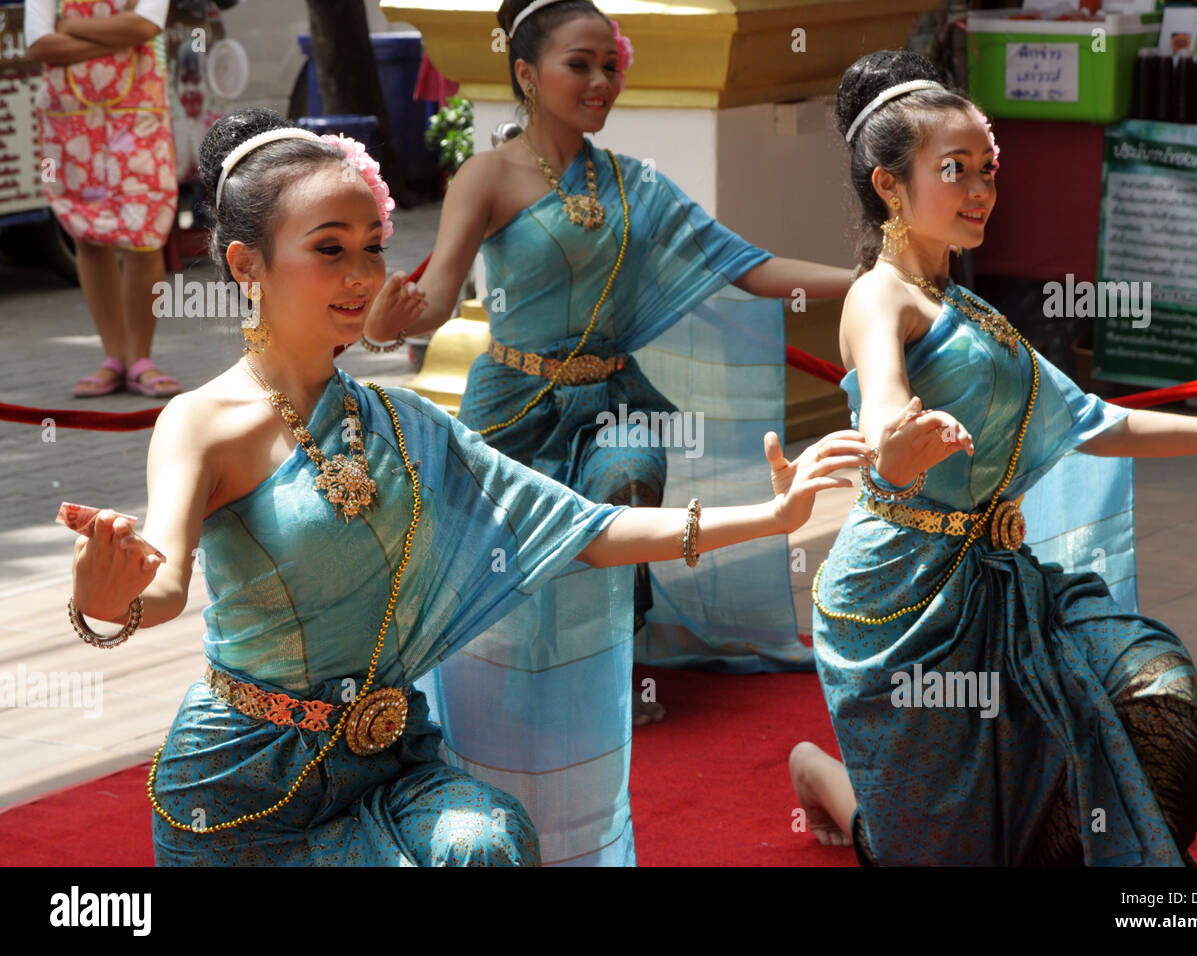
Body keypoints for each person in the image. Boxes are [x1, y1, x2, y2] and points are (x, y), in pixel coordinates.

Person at [66, 107, 871, 866]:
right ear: (248, 264)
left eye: (374, 247)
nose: (362, 275)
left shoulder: (407, 425)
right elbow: (164, 582)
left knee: (485, 843)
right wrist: (110, 599)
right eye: (330, 248)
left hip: (389, 764)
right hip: (240, 787)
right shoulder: (200, 423)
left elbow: (582, 529)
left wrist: (772, 515)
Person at [788, 50, 1197, 865]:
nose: (982, 190)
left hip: (1006, 584)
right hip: (904, 602)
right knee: (941, 849)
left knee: (1156, 686)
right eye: (955, 170)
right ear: (890, 185)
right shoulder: (878, 293)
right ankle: (817, 769)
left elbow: (1098, 421)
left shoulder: (974, 311)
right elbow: (884, 397)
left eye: (988, 169)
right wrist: (894, 444)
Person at [363, 0, 856, 738]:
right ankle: (521, 671)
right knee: (503, 546)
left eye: (611, 66)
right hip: (510, 404)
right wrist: (385, 319)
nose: (601, 81)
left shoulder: (635, 185)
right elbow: (431, 302)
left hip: (615, 399)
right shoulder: (487, 177)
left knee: (626, 484)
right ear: (527, 74)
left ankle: (613, 672)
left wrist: (865, 278)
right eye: (580, 65)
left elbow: (749, 268)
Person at [24, 0, 183, 397]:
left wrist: (72, 27)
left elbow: (146, 25)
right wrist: (118, 34)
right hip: (72, 119)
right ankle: (115, 358)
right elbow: (39, 45)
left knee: (144, 234)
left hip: (137, 117)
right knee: (87, 235)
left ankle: (140, 357)